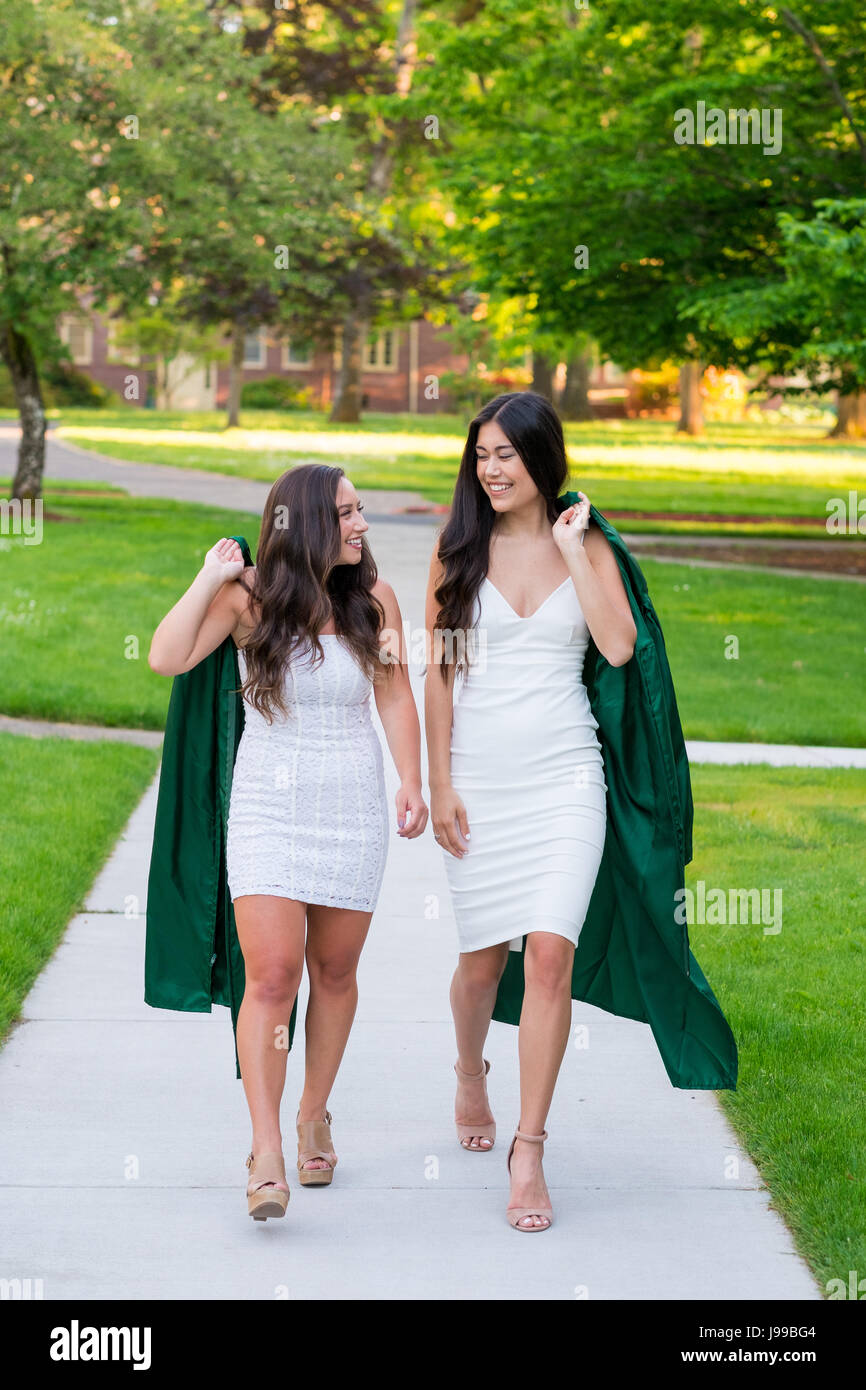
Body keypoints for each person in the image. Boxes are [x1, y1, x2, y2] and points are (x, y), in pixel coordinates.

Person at [148, 463, 428, 1221]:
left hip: (352, 810)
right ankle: (265, 1148)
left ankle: (315, 1112)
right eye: (346, 513)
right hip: (268, 812)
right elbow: (166, 656)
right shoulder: (250, 602)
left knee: (334, 973)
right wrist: (208, 579)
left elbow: (395, 690)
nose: (362, 525)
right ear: (304, 521)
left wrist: (412, 778)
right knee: (271, 978)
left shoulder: (374, 600)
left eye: (361, 510)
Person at [425, 391, 637, 1232]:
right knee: (482, 966)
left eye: (508, 454)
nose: (492, 469)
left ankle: (530, 1148)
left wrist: (572, 548)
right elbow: (436, 676)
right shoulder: (456, 554)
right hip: (479, 780)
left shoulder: (585, 545)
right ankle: (470, 1070)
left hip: (565, 779)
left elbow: (617, 646)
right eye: (482, 455)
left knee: (549, 957)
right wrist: (438, 783)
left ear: (542, 459)